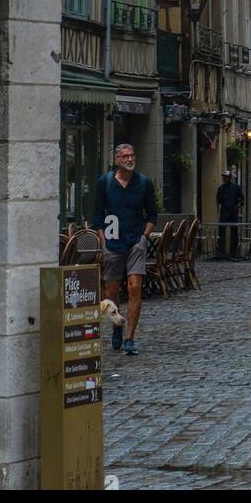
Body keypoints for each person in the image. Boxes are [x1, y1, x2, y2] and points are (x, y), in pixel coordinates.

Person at [91, 143, 157, 355]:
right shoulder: (105, 182)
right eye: (125, 156)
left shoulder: (144, 183)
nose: (130, 159)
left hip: (135, 241)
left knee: (134, 287)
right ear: (116, 160)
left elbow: (152, 215)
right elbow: (97, 216)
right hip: (112, 242)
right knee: (111, 291)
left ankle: (130, 338)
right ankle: (117, 327)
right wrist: (103, 242)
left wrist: (143, 237)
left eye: (132, 155)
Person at [216, 169, 244, 259]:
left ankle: (233, 253)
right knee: (221, 232)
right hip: (224, 212)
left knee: (234, 233)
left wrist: (238, 205)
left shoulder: (236, 187)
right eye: (224, 177)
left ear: (230, 178)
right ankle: (222, 253)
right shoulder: (221, 188)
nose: (225, 179)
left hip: (233, 212)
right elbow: (218, 200)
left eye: (226, 177)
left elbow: (242, 199)